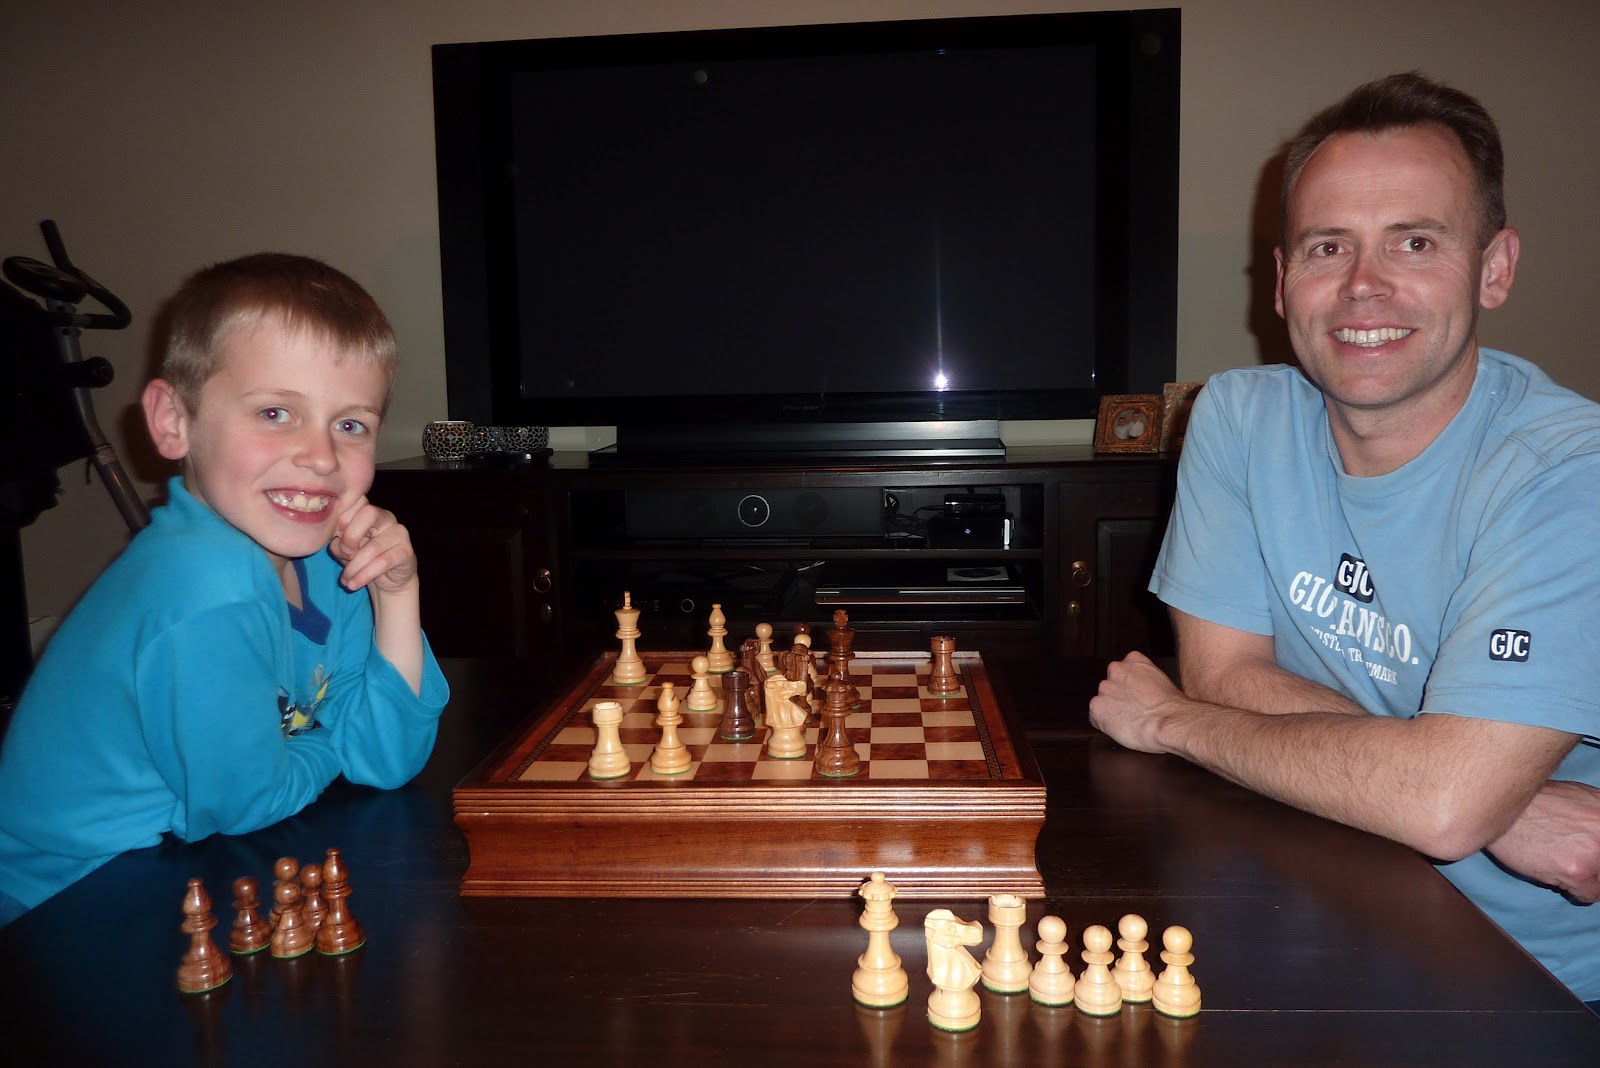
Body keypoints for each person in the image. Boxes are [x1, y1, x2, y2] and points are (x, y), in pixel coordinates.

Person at [1089, 71, 1600, 1007]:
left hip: (1545, 980)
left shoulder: (1571, 474)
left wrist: (1169, 723)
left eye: (1415, 241)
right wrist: (1491, 804)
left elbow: (1439, 807)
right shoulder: (1238, 417)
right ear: (1284, 283)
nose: (1365, 288)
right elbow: (1226, 674)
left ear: (1496, 266)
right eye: (1329, 247)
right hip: (1330, 883)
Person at [0, 253, 450, 923]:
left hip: (172, 864)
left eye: (350, 424)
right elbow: (247, 802)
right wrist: (332, 741)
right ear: (173, 421)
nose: (322, 456)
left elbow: (386, 758)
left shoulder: (329, 559)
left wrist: (395, 593)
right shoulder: (204, 580)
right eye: (276, 412)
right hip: (59, 901)